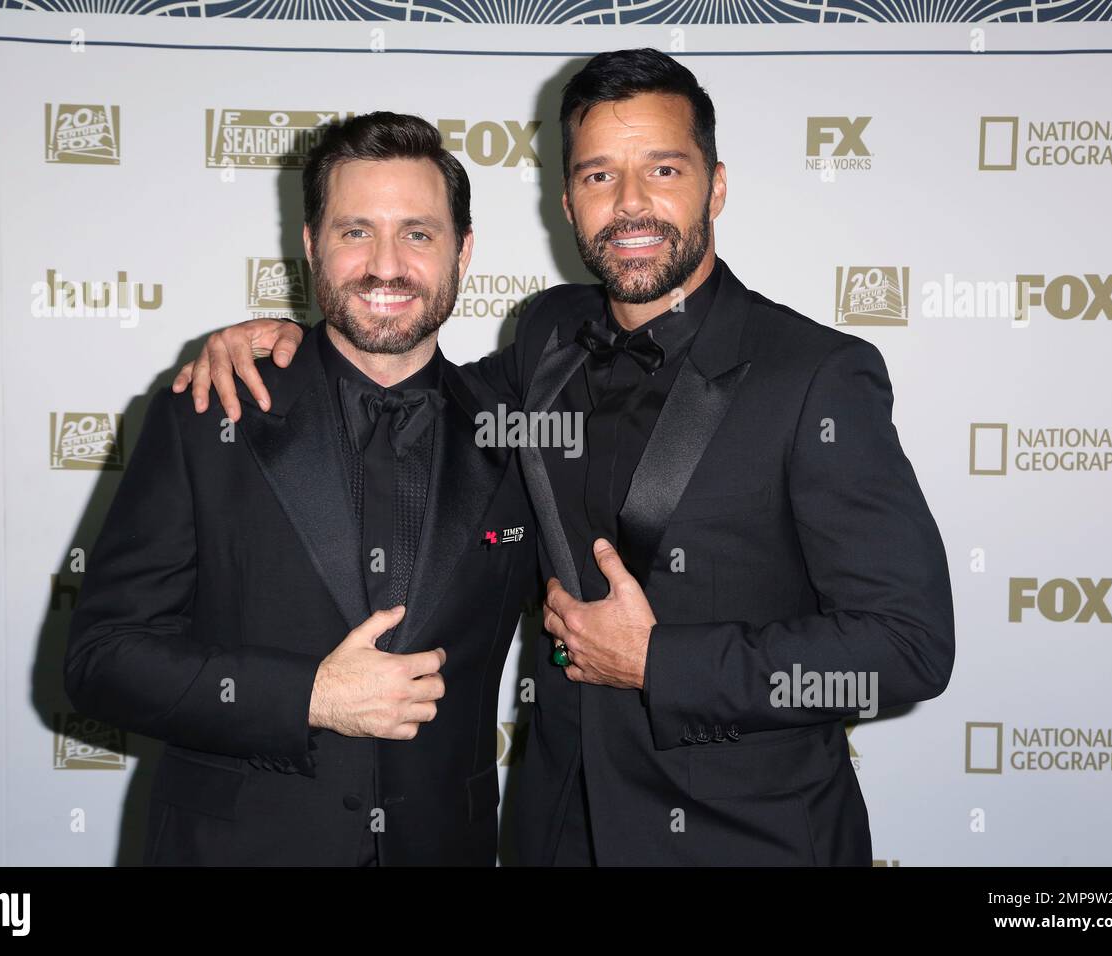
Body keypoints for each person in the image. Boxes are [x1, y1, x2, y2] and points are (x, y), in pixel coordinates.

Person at [177, 48, 955, 865]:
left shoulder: (817, 375)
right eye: (597, 177)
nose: (631, 205)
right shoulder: (548, 335)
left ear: (716, 186)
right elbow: (405, 379)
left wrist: (661, 663)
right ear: (568, 204)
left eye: (662, 169)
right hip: (555, 836)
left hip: (746, 842)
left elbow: (905, 649)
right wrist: (285, 340)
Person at [65, 112, 539, 866]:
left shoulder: (519, 440)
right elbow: (101, 662)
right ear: (312, 244)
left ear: (464, 251)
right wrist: (307, 697)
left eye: (417, 233)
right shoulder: (209, 412)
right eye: (356, 232)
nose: (386, 266)